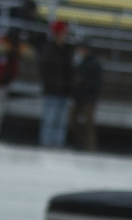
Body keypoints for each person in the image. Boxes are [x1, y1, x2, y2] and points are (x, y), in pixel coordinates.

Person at [38, 20, 73, 149]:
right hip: (52, 90)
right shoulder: (49, 49)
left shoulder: (67, 50)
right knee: (50, 119)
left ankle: (58, 145)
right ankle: (47, 144)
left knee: (61, 121)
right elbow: (45, 70)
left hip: (64, 91)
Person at [70, 42, 103, 151]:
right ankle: (83, 144)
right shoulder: (81, 62)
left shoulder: (94, 63)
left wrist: (81, 81)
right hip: (79, 98)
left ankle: (90, 148)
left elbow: (93, 82)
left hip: (89, 99)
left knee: (88, 125)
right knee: (72, 121)